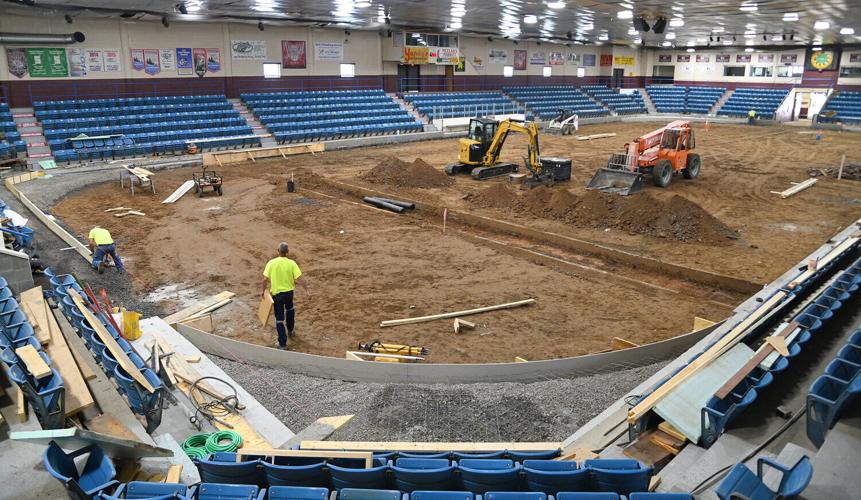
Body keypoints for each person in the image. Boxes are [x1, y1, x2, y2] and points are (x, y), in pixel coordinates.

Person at [262, 242, 308, 349]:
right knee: (290, 309)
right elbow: (300, 278)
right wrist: (307, 290)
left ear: (278, 251)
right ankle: (291, 330)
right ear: (287, 252)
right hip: (289, 293)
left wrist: (263, 291)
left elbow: (264, 279)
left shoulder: (271, 263)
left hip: (277, 295)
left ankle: (282, 343)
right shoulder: (292, 263)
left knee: (279, 319)